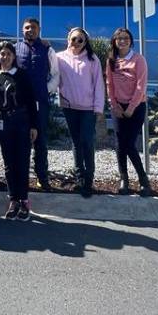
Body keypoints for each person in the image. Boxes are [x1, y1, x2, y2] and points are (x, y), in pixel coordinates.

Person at [0, 41, 38, 221]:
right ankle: (13, 199)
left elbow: (32, 102)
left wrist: (34, 126)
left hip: (22, 121)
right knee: (8, 162)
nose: (5, 57)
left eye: (9, 54)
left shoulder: (22, 75)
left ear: (14, 56)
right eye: (2, 53)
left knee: (22, 161)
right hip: (4, 122)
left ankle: (24, 200)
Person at [56, 27, 105, 198]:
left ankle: (89, 180)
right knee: (76, 143)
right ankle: (80, 179)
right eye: (74, 38)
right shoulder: (59, 58)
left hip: (87, 109)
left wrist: (99, 109)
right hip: (69, 108)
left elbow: (99, 84)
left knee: (87, 142)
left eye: (80, 40)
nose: (76, 42)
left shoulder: (93, 59)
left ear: (85, 43)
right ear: (68, 38)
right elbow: (53, 77)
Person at [106, 27, 152, 197]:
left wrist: (131, 108)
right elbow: (109, 84)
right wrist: (114, 105)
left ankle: (143, 180)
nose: (122, 41)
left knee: (129, 144)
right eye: (119, 39)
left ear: (131, 41)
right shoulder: (111, 60)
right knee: (120, 144)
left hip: (136, 107)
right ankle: (124, 179)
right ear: (115, 42)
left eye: (125, 38)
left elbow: (141, 86)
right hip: (118, 107)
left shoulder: (138, 59)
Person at [15, 17, 59, 191]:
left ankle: (42, 177)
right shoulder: (15, 48)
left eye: (33, 27)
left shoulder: (48, 49)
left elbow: (56, 75)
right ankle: (20, 177)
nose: (29, 30)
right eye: (26, 28)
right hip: (19, 104)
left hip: (40, 103)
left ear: (39, 29)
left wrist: (44, 90)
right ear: (22, 30)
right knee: (21, 141)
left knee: (40, 142)